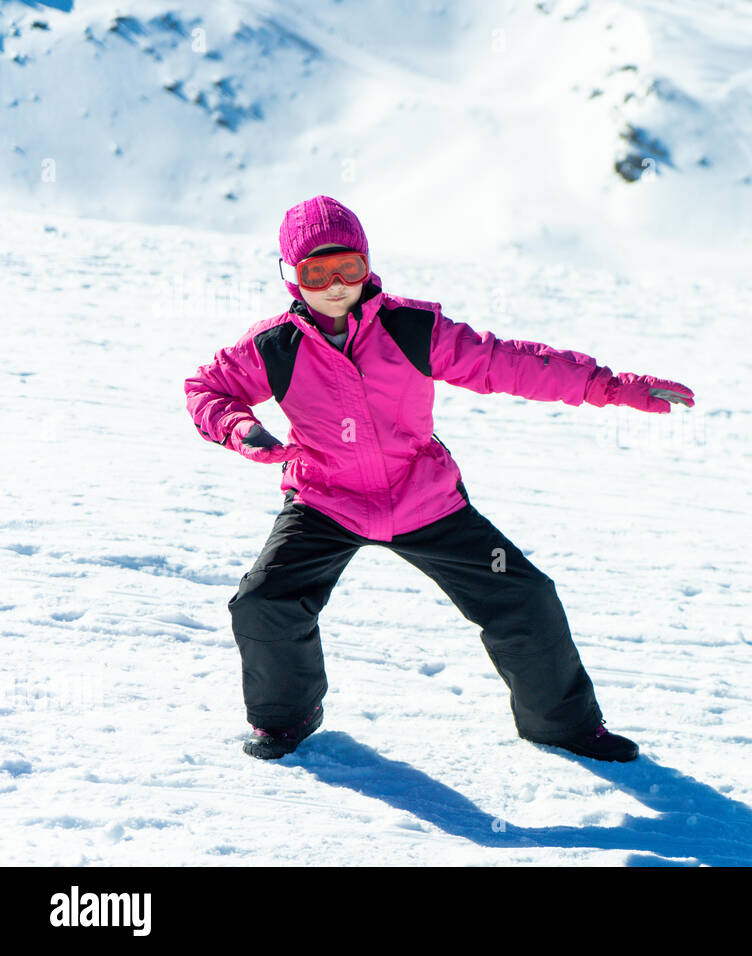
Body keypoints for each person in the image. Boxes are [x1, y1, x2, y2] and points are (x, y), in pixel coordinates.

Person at [183, 195, 694, 762]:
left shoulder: (411, 327)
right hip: (325, 500)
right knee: (263, 603)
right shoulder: (273, 346)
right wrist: (240, 428)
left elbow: (507, 362)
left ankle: (562, 725)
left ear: (367, 265)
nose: (334, 285)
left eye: (348, 268)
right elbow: (207, 388)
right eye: (316, 272)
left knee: (523, 597)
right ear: (290, 276)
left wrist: (610, 385)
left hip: (422, 499)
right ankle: (287, 717)